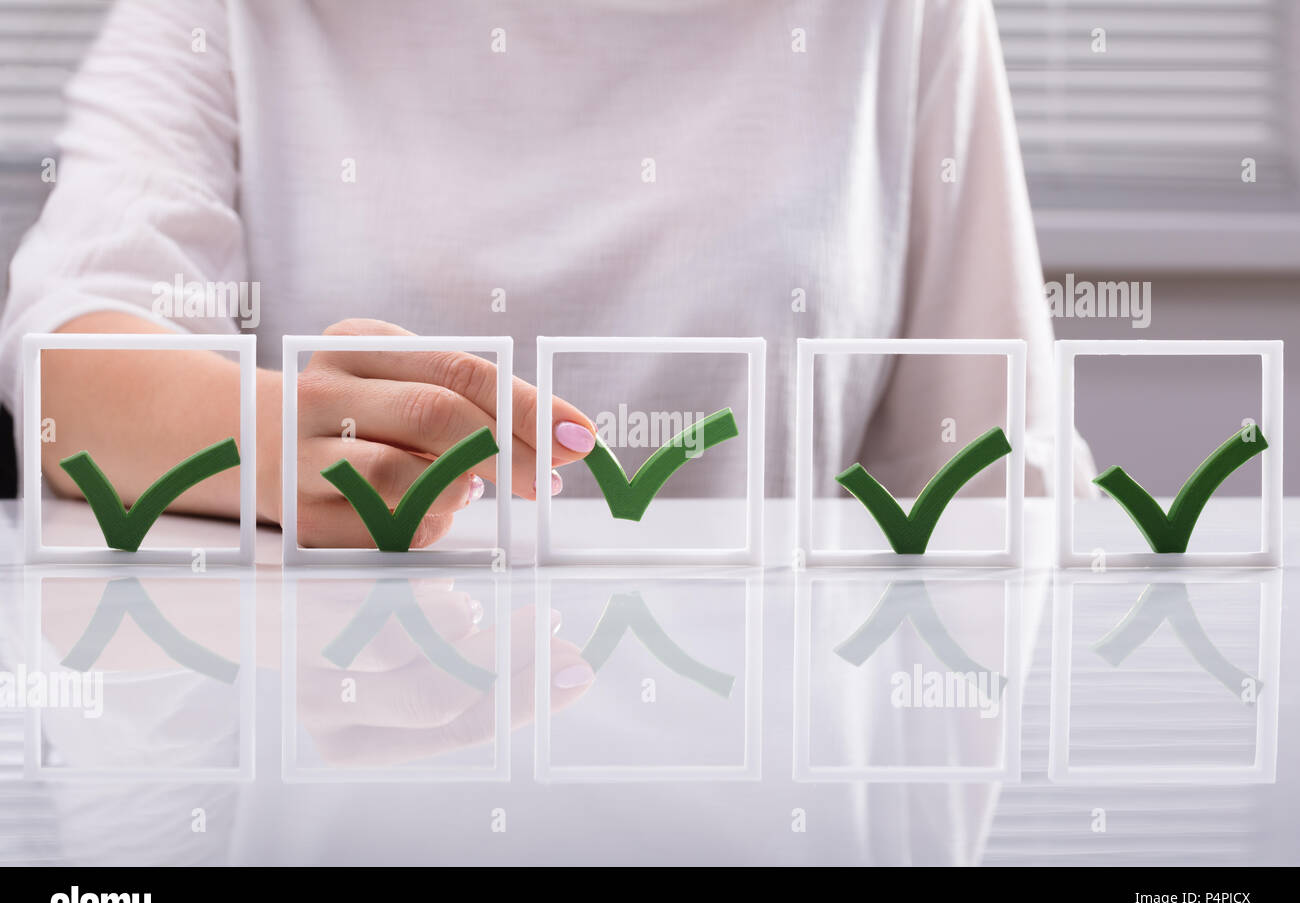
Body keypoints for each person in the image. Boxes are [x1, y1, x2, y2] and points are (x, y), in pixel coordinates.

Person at [0, 0, 1092, 547]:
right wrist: (282, 436)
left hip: (780, 777)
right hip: (346, 765)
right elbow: (71, 359)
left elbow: (996, 470)